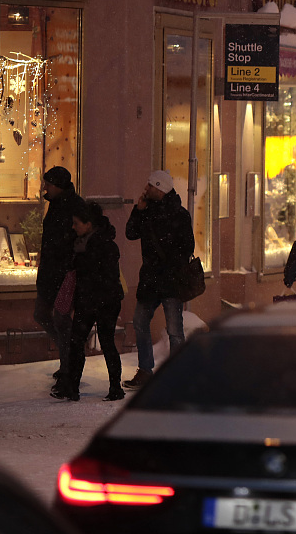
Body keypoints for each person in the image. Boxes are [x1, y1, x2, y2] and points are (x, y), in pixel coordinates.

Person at [122, 170, 194, 390]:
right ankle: (147, 371)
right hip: (152, 280)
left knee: (174, 328)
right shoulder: (147, 212)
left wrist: (168, 263)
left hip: (167, 280)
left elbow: (187, 247)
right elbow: (130, 233)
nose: (146, 189)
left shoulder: (178, 215)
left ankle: (176, 374)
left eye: (150, 186)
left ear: (159, 188)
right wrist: (138, 209)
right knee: (142, 322)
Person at [53, 202, 125, 402]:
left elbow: (100, 274)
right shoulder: (80, 244)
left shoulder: (105, 245)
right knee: (78, 342)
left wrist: (81, 263)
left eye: (77, 223)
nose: (73, 227)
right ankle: (72, 387)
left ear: (89, 223)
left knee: (105, 342)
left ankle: (114, 387)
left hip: (103, 301)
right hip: (89, 299)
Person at [34, 166, 85, 389]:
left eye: (49, 183)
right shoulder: (54, 204)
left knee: (62, 321)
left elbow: (81, 238)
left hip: (64, 274)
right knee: (42, 314)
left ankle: (68, 368)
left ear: (59, 185)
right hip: (49, 272)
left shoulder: (75, 206)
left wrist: (70, 265)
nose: (45, 187)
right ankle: (69, 356)